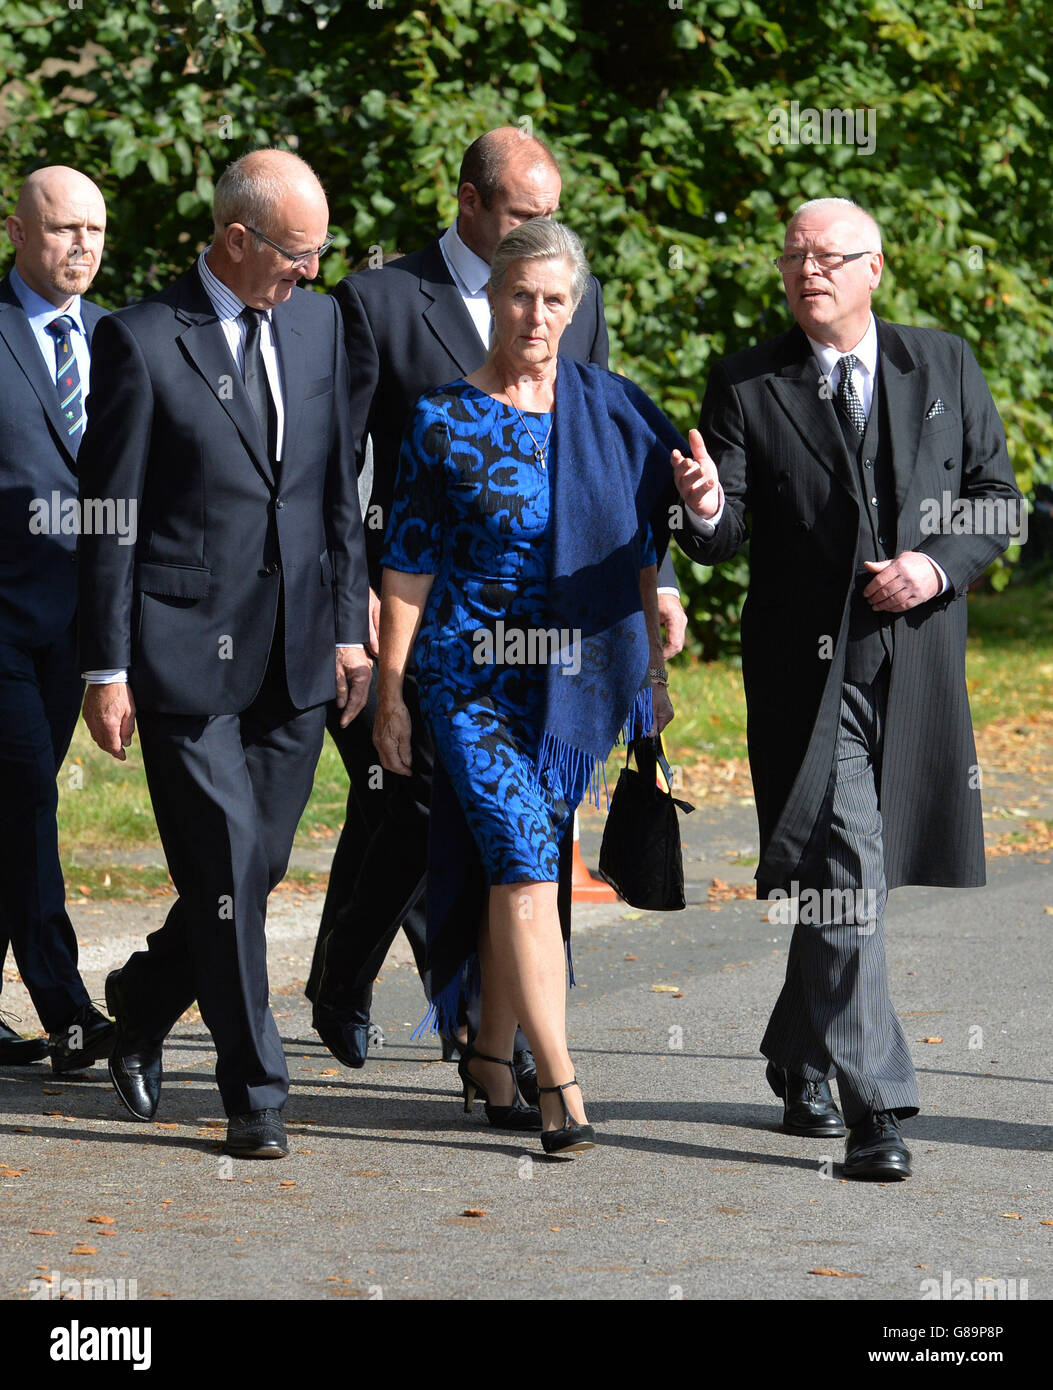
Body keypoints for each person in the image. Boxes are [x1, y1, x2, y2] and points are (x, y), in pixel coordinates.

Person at [307, 128, 689, 1082]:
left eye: (551, 214)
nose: (540, 230)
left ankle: (494, 1042)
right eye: (524, 212)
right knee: (415, 814)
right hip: (426, 625)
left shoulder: (568, 294)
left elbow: (610, 473)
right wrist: (354, 605)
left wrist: (657, 588)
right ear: (469, 201)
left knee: (513, 843)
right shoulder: (378, 300)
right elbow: (333, 472)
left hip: (555, 648)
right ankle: (357, 980)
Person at [672, 197, 1021, 1180]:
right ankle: (878, 1106)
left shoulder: (942, 363)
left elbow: (997, 499)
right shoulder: (746, 381)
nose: (807, 270)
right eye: (793, 256)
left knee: (845, 880)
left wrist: (934, 566)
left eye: (827, 255)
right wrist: (704, 507)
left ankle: (798, 1053)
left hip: (915, 666)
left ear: (875, 267)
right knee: (850, 868)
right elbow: (723, 528)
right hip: (807, 677)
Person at [374, 217, 719, 1154]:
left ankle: (491, 1058)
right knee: (528, 858)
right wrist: (392, 689)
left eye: (554, 299)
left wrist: (697, 514)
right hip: (468, 680)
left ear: (575, 307)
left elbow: (658, 532)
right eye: (520, 295)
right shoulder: (442, 417)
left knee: (513, 863)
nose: (535, 315)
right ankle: (561, 1084)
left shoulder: (612, 409)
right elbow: (407, 563)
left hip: (570, 686)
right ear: (492, 296)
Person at [76, 150, 372, 1160]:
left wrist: (348, 628)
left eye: (321, 252)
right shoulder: (140, 339)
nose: (312, 271)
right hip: (181, 653)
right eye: (296, 253)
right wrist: (105, 666)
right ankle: (256, 1094)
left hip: (298, 649)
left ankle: (144, 995)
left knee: (255, 864)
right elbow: (109, 516)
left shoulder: (320, 324)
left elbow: (335, 491)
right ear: (236, 239)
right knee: (228, 868)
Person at [0, 166, 114, 1073]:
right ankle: (70, 1014)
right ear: (16, 232)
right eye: (61, 228)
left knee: (12, 809)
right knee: (29, 802)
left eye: (94, 230)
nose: (81, 245)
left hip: (78, 628)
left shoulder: (117, 340)